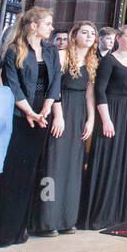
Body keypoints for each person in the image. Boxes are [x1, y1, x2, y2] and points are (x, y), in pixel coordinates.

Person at [0, 7, 61, 247]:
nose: (51, 27)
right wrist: (30, 112)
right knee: (11, 173)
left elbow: (55, 80)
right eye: (47, 23)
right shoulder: (14, 50)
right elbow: (12, 86)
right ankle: (1, 232)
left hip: (41, 116)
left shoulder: (50, 50)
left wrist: (45, 108)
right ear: (33, 26)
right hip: (19, 115)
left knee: (30, 175)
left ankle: (19, 228)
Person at [33, 21, 98, 236]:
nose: (89, 36)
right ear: (74, 35)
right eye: (85, 32)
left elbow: (90, 93)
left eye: (92, 33)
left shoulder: (91, 60)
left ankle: (67, 218)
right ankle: (47, 219)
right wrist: (58, 115)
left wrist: (91, 119)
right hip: (60, 109)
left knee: (72, 166)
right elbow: (54, 87)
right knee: (53, 165)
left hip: (79, 112)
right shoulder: (61, 55)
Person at [81, 25, 127, 229]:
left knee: (125, 161)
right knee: (108, 160)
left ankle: (120, 212)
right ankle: (101, 214)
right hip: (111, 112)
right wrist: (106, 119)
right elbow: (100, 91)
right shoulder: (109, 60)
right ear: (119, 38)